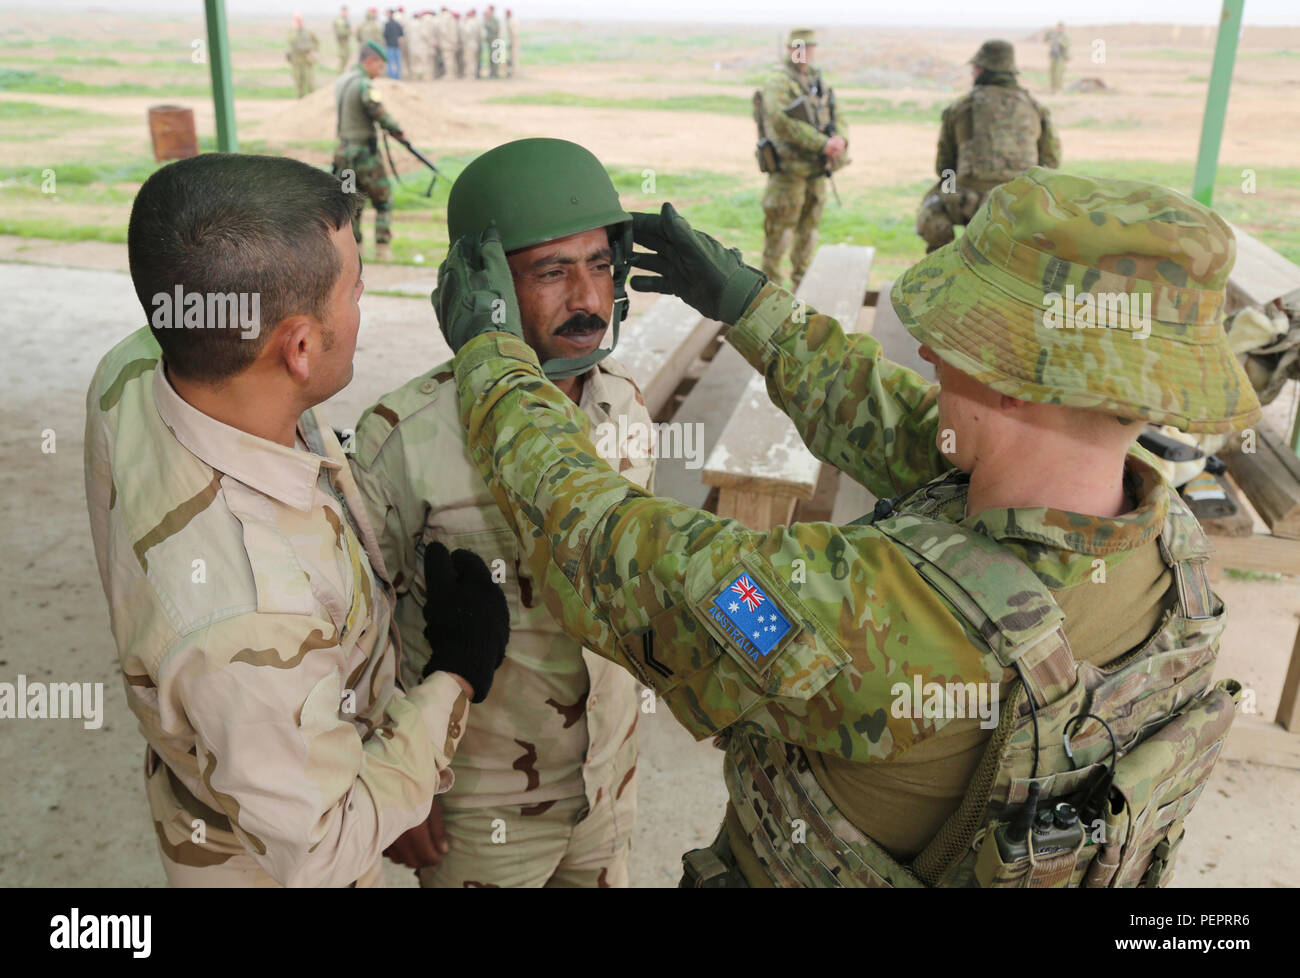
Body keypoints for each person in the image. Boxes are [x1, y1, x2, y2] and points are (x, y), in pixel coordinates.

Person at [431, 164, 1259, 888]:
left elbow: (601, 543)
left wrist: (494, 361)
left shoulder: (877, 614)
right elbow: (919, 430)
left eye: (954, 337)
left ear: (1012, 372)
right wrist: (751, 308)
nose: (930, 356)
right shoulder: (1161, 542)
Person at [83, 152, 510, 887]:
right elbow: (323, 846)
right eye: (355, 288)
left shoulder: (136, 368)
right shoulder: (248, 621)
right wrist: (454, 679)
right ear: (300, 347)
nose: (362, 301)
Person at [352, 139, 651, 888]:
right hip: (477, 800)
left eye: (600, 265)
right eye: (552, 272)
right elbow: (355, 630)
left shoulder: (625, 409)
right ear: (480, 284)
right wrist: (397, 780)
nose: (587, 298)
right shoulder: (406, 436)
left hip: (606, 783)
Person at [916, 39, 1058, 254]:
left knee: (930, 212)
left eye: (974, 69)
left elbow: (945, 167)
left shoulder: (961, 107)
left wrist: (950, 194)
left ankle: (942, 265)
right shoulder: (1035, 108)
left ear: (981, 69)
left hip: (969, 202)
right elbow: (1050, 162)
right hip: (1021, 204)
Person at [759, 28, 848, 292]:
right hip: (789, 173)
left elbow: (837, 114)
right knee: (780, 235)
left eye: (808, 47)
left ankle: (802, 289)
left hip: (817, 171)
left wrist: (840, 139)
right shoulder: (778, 80)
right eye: (798, 47)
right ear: (789, 49)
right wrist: (822, 143)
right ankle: (770, 295)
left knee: (808, 233)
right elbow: (781, 121)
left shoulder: (816, 79)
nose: (803, 53)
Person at [334, 41, 405, 262]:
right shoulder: (364, 84)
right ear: (370, 61)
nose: (380, 71)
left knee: (352, 202)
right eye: (380, 66)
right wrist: (396, 130)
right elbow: (376, 111)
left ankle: (355, 250)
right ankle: (383, 250)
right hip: (365, 155)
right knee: (384, 201)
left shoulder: (342, 81)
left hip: (343, 154)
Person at [286, 12, 320, 99]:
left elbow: (316, 41)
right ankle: (300, 102)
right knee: (299, 84)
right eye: (296, 19)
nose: (298, 21)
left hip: (307, 60)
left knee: (310, 83)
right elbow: (291, 40)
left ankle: (313, 102)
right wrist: (296, 29)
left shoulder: (308, 32)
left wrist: (314, 51)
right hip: (296, 61)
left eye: (299, 19)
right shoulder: (292, 32)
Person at [1046, 21, 1070, 94]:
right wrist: (1049, 35)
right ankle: (1053, 88)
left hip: (1061, 57)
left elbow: (1065, 45)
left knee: (1058, 73)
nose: (1059, 28)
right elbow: (1046, 40)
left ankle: (1059, 89)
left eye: (1061, 27)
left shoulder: (1065, 36)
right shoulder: (1054, 35)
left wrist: (1059, 41)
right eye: (1058, 27)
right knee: (1052, 72)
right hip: (1053, 56)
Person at [383, 8, 404, 79]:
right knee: (397, 63)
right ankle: (398, 77)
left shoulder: (387, 24)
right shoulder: (397, 24)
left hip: (390, 46)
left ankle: (391, 77)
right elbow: (401, 35)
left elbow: (385, 35)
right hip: (396, 46)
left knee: (390, 62)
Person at [482, 4, 500, 79]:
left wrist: (486, 21)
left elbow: (494, 29)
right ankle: (492, 73)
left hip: (494, 41)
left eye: (488, 10)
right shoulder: (490, 19)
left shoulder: (493, 19)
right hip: (491, 41)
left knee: (494, 58)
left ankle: (494, 74)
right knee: (492, 58)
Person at [333, 6, 352, 71]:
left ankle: (342, 71)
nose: (346, 13)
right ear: (342, 11)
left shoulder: (345, 20)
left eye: (347, 12)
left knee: (346, 57)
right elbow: (340, 32)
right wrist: (349, 32)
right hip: (342, 42)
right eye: (345, 11)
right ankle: (340, 72)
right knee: (343, 57)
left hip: (346, 41)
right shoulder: (340, 21)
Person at [505, 8, 517, 77]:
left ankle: (513, 73)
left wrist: (512, 42)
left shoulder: (511, 21)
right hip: (512, 41)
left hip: (513, 41)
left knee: (513, 58)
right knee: (511, 58)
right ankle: (511, 72)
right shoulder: (510, 20)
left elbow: (514, 33)